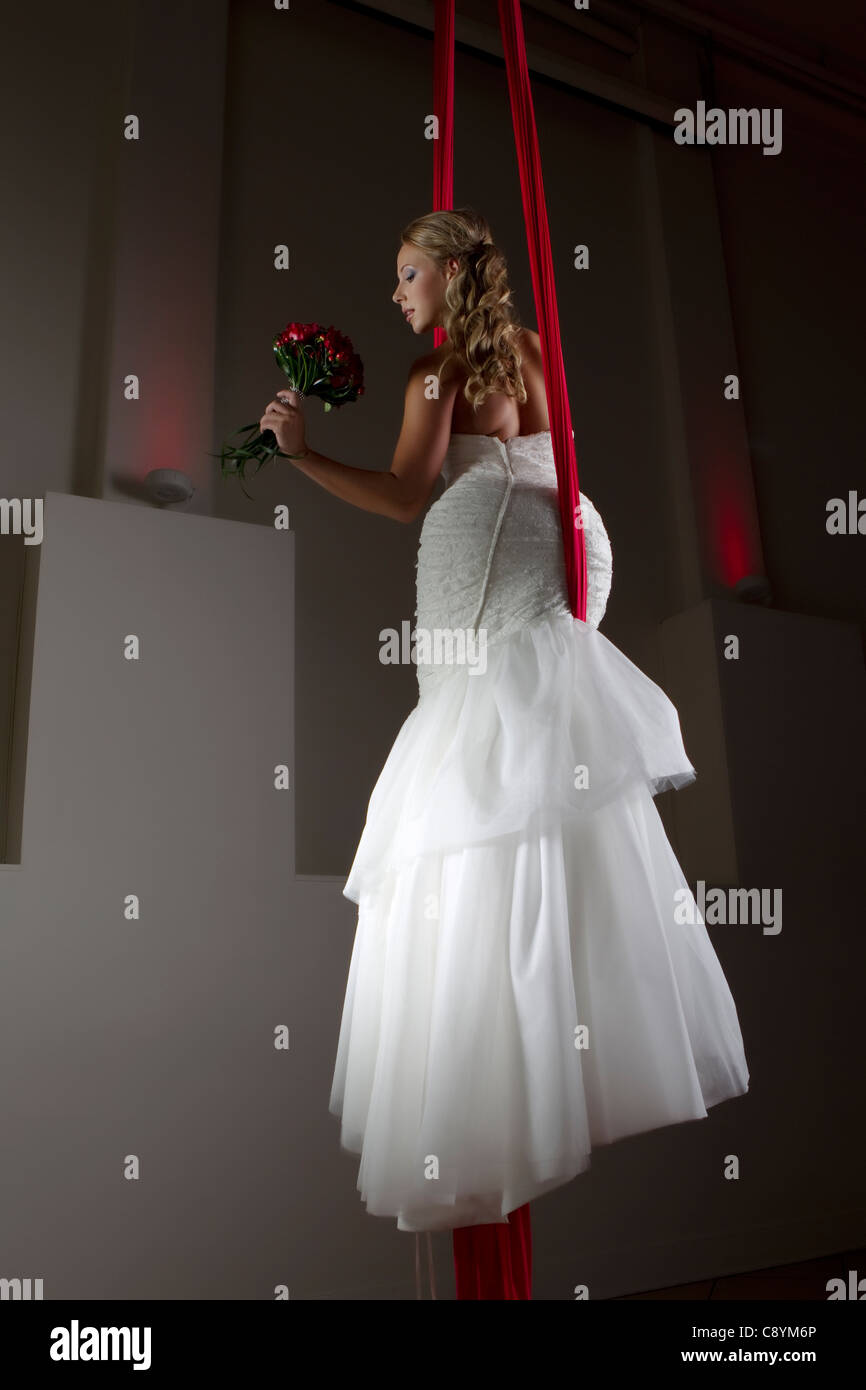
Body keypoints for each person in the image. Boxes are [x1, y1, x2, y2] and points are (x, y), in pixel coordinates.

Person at [260, 208, 749, 1301]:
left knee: (473, 772)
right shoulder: (527, 354)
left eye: (403, 275)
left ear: (443, 273)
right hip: (565, 536)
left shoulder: (435, 375)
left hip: (492, 545)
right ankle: (540, 1004)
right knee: (524, 768)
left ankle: (498, 1052)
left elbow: (399, 497)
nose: (394, 295)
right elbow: (556, 458)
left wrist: (297, 457)